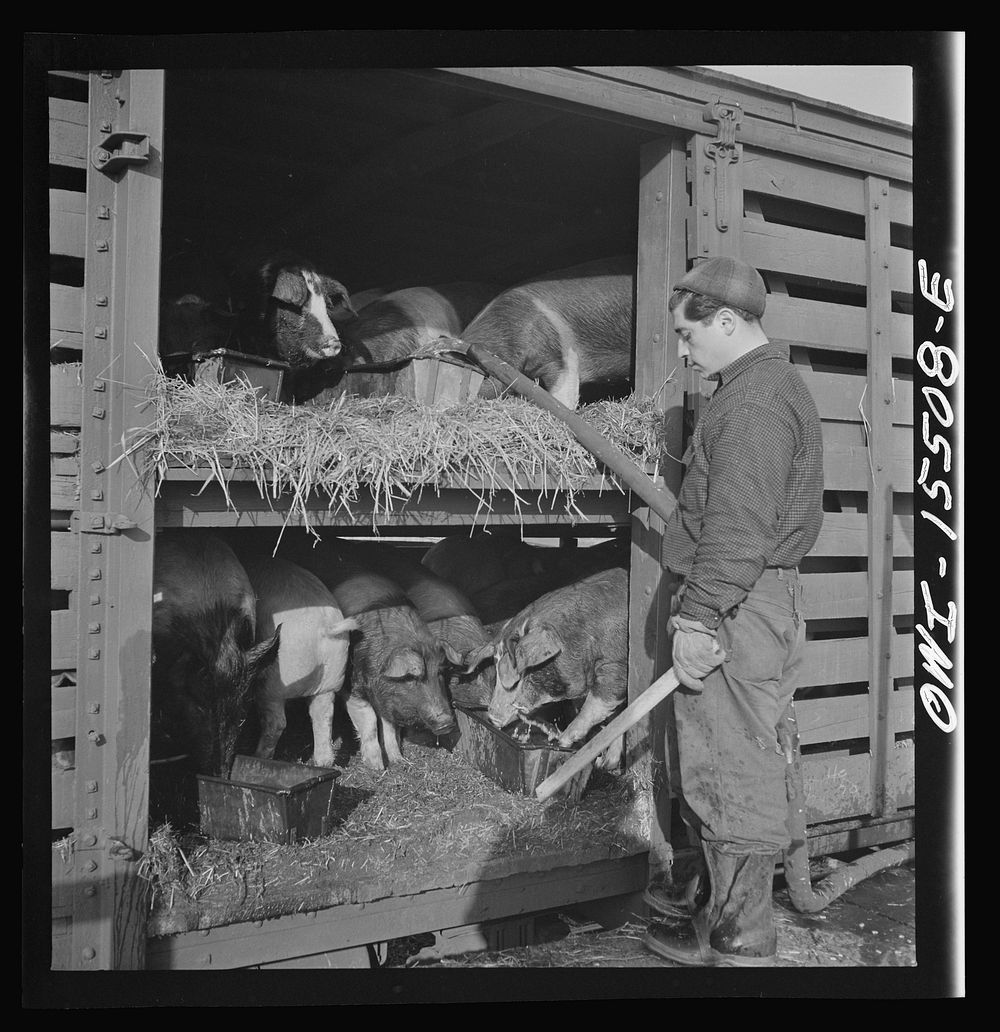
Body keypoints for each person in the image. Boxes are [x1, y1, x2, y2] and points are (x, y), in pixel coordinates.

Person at [642, 256, 824, 967]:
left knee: (729, 766)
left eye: (689, 337)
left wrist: (698, 620)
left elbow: (739, 529)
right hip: (753, 600)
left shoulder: (750, 404)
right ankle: (725, 920)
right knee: (736, 756)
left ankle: (741, 937)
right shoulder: (762, 387)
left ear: (725, 321)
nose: (683, 352)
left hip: (737, 605)